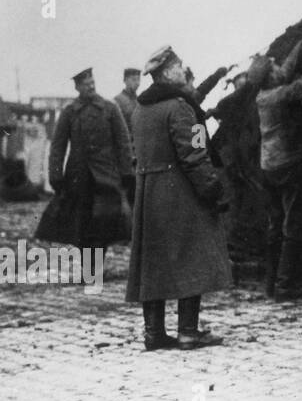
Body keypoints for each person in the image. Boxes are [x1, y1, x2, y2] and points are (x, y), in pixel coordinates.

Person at [126, 46, 232, 351]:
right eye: (179, 65)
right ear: (167, 72)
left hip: (148, 194)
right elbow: (195, 155)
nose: (184, 69)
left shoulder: (140, 109)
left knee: (153, 262)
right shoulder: (181, 108)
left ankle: (154, 334)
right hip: (180, 192)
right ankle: (188, 332)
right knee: (192, 255)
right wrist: (212, 190)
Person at [251, 24, 302, 299]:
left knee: (275, 226)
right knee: (291, 225)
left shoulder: (265, 93)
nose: (278, 70)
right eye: (273, 68)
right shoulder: (279, 96)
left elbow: (286, 69)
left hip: (268, 166)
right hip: (287, 164)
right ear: (269, 77)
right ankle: (285, 285)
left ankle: (271, 284)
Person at [36, 69, 133, 260]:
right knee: (81, 226)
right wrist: (55, 175)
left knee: (103, 224)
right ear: (77, 87)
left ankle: (94, 269)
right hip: (78, 179)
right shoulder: (70, 112)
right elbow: (58, 146)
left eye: (92, 82)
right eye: (86, 83)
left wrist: (127, 173)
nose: (90, 86)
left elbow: (123, 143)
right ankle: (88, 270)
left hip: (106, 177)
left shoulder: (110, 109)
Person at [113, 68, 142, 140]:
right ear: (125, 80)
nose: (137, 83)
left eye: (138, 79)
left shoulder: (140, 101)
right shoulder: (117, 101)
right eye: (134, 79)